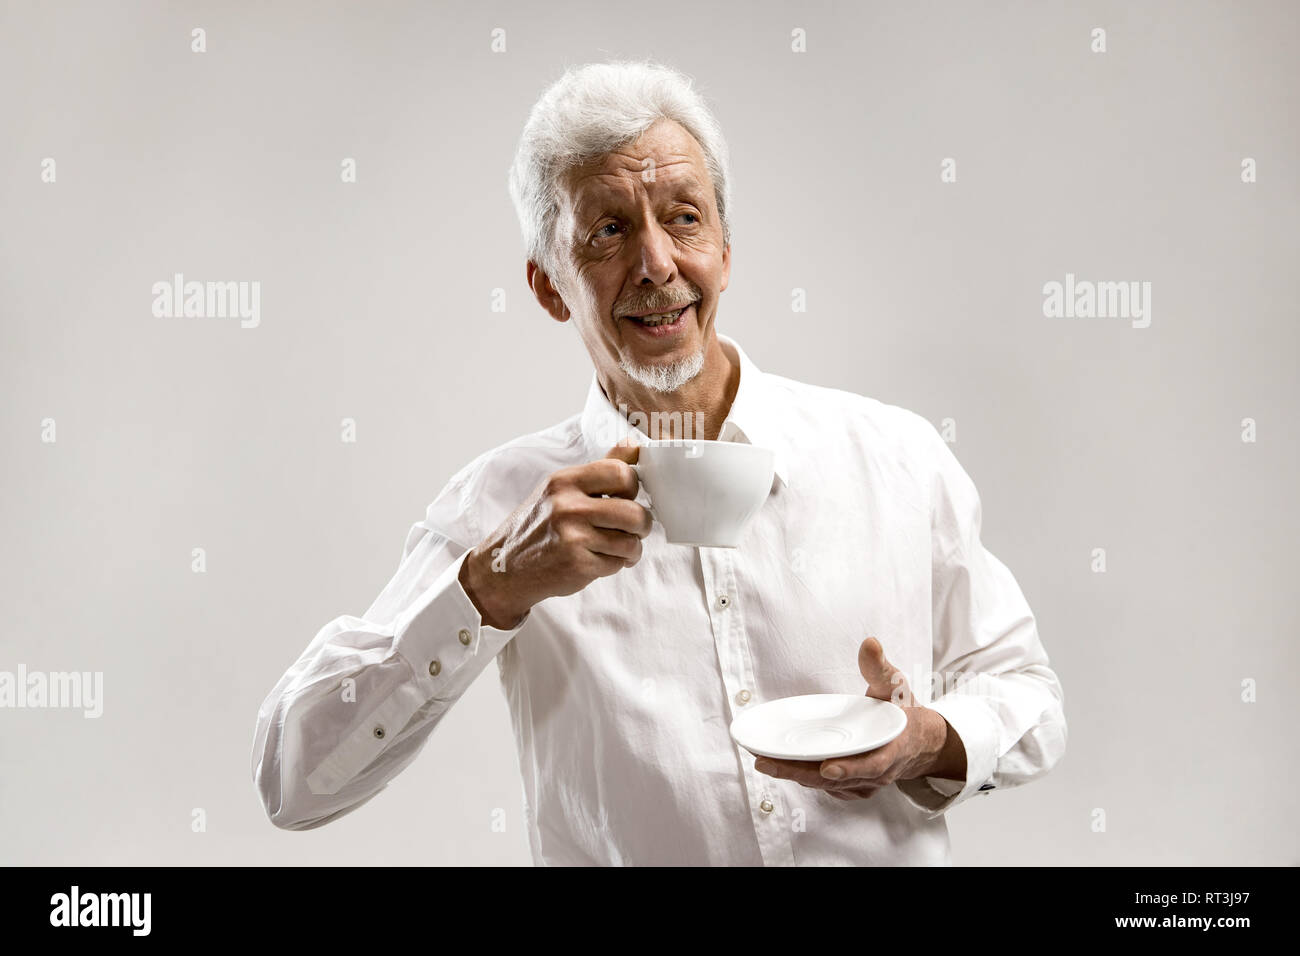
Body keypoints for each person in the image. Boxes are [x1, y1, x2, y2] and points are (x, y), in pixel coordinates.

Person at [252, 60, 1066, 865]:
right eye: (608, 231)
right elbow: (296, 782)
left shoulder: (894, 456)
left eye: (684, 219)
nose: (656, 265)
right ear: (548, 287)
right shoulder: (499, 506)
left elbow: (1028, 695)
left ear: (725, 247)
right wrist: (491, 585)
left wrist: (929, 741)